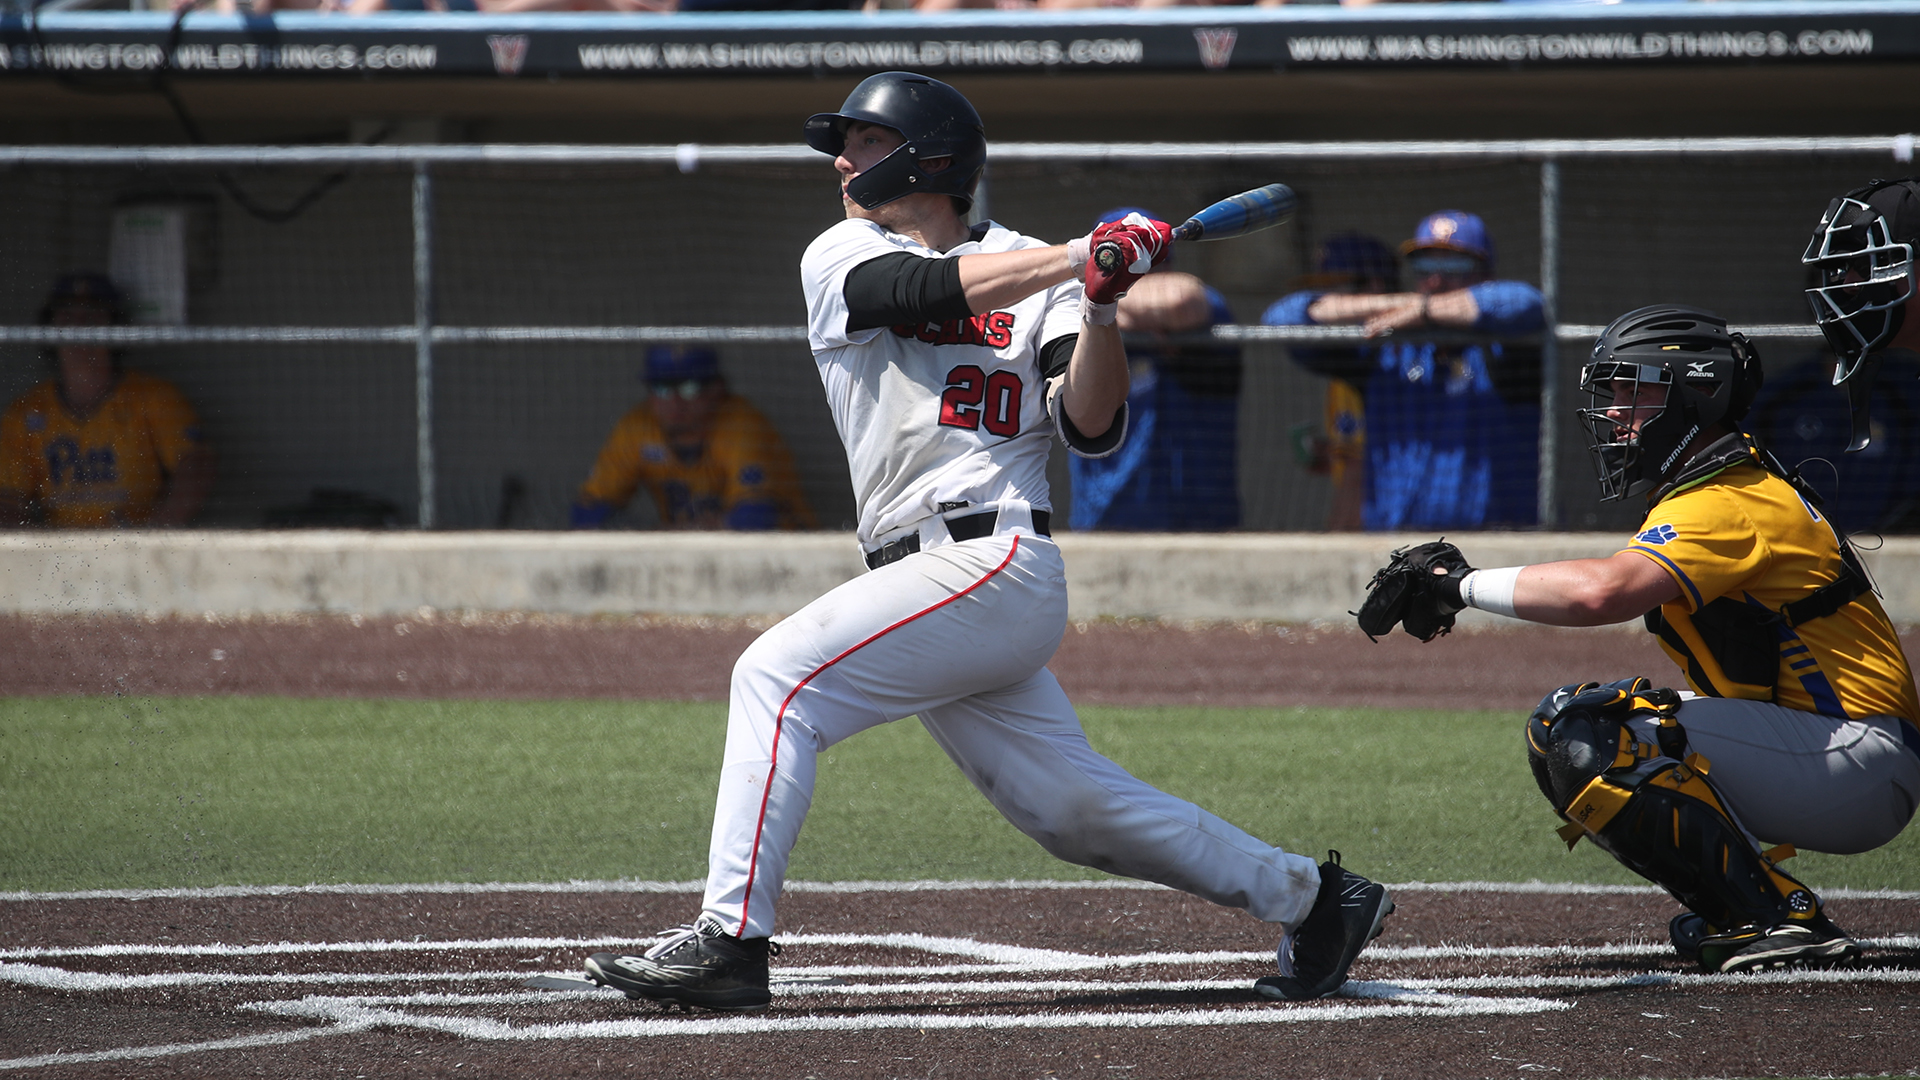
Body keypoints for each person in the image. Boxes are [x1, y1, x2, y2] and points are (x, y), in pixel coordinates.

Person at [581, 70, 1391, 1012]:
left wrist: (1099, 303)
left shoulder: (1038, 274)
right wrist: (1079, 253)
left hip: (993, 558)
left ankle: (729, 943)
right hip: (923, 575)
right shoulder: (841, 253)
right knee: (1068, 810)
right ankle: (1318, 900)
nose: (841, 161)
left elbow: (1090, 426)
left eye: (864, 144)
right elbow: (925, 288)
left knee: (774, 677)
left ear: (925, 158)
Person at [1360, 303, 1918, 974]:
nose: (1616, 411)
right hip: (1831, 747)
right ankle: (1744, 909)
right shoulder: (1717, 484)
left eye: (1637, 390)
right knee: (1571, 729)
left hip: (1857, 755)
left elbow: (1602, 591)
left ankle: (1776, 919)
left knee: (1587, 732)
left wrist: (1461, 585)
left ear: (1696, 393)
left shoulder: (1732, 497)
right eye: (1614, 392)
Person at [1261, 211, 1543, 531]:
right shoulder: (1386, 353)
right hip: (1398, 552)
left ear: (1485, 274)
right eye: (1424, 268)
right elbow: (1281, 319)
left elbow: (1525, 303)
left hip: (1494, 548)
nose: (1436, 281)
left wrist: (1426, 309)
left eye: (1455, 267)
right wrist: (1400, 304)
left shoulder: (1504, 348)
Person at [1068, 207, 1240, 531]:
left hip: (1203, 527)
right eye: (1112, 258)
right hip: (1104, 524)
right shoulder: (1071, 315)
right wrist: (1101, 304)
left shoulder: (1206, 306)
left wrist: (1104, 303)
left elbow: (1178, 301)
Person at [0, 273, 214, 529]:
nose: (79, 328)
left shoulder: (153, 396)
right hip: (57, 556)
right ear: (49, 328)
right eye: (67, 317)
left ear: (116, 329)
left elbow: (197, 465)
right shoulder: (25, 411)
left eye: (92, 318)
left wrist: (156, 530)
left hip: (136, 552)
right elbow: (7, 502)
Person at [571, 345, 816, 531]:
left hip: (778, 556)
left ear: (717, 389)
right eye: (662, 389)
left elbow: (756, 517)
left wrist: (680, 534)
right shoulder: (637, 428)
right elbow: (588, 511)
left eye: (690, 389)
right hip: (689, 557)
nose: (675, 402)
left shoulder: (740, 424)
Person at [1267, 232, 1397, 531]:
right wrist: (1331, 452)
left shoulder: (1387, 357)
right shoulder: (1348, 362)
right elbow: (1281, 317)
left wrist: (1336, 545)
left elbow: (1357, 477)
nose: (1323, 304)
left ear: (1375, 286)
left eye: (1333, 289)